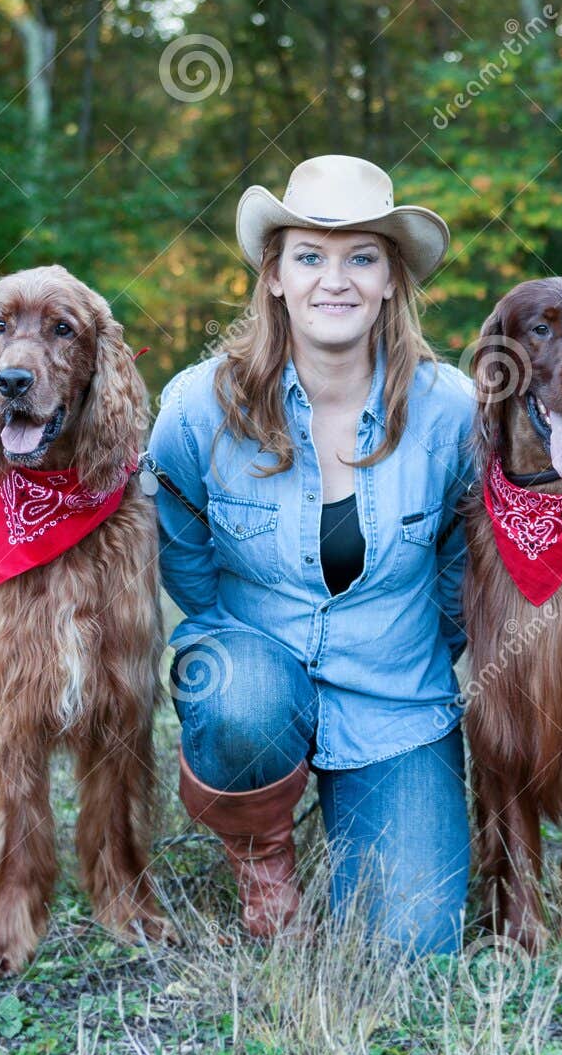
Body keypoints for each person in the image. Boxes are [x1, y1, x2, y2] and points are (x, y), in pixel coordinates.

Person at [147, 154, 473, 956]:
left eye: (361, 257)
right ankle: (264, 854)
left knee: (413, 948)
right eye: (309, 257)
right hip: (255, 673)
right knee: (242, 691)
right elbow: (180, 547)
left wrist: (412, 648)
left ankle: (366, 807)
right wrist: (231, 643)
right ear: (274, 275)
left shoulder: (452, 411)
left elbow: (463, 566)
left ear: (391, 279)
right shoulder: (198, 407)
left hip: (395, 705)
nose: (335, 280)